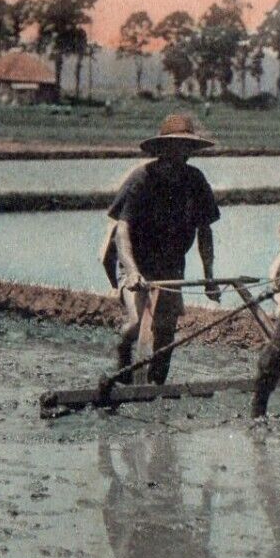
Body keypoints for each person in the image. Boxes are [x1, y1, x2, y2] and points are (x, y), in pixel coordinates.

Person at [101, 114, 221, 385]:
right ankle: (123, 362)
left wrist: (210, 277)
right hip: (137, 262)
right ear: (162, 149)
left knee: (166, 331)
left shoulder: (195, 181)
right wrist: (131, 272)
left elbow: (205, 231)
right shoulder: (142, 179)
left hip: (171, 265)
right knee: (137, 323)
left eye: (186, 147)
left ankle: (157, 385)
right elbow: (122, 231)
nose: (180, 154)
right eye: (174, 147)